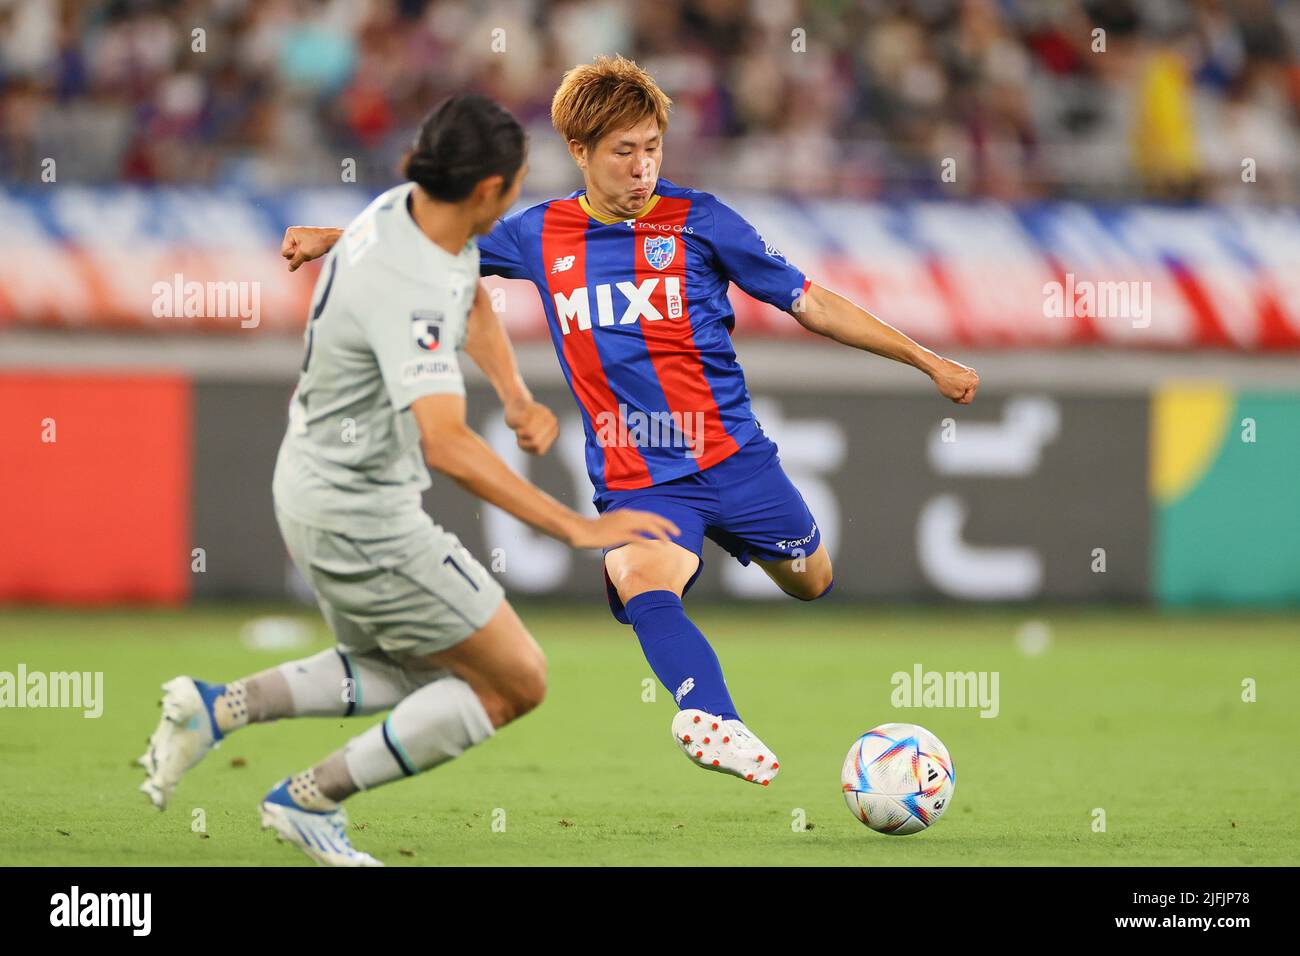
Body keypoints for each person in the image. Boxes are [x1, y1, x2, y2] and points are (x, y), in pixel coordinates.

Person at [280, 56, 979, 790]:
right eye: (624, 152)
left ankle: (730, 647)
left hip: (736, 459)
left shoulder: (701, 221)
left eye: (652, 149)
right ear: (579, 152)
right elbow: (430, 233)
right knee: (647, 583)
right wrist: (331, 236)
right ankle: (710, 715)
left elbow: (809, 301)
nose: (642, 167)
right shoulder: (538, 234)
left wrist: (927, 360)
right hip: (638, 469)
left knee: (811, 580)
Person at [138, 93, 677, 866]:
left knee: (409, 668)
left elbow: (474, 302)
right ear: (490, 190)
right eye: (520, 180)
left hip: (318, 488)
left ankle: (217, 708)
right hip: (361, 515)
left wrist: (517, 396)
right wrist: (576, 526)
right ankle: (308, 797)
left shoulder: (413, 210)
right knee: (515, 680)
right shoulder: (411, 280)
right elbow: (447, 443)